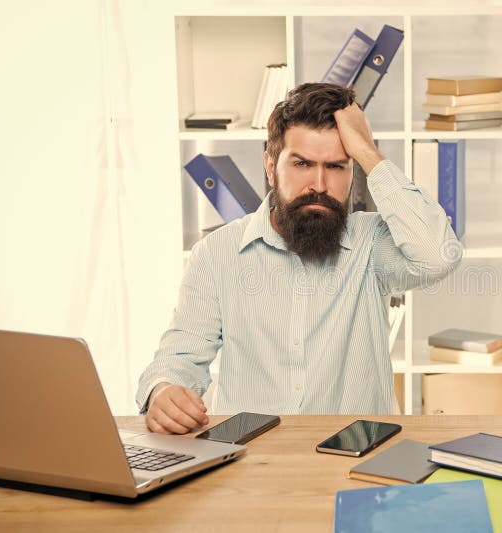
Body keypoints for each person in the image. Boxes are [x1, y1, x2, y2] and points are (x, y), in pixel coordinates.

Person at [136, 83, 462, 434]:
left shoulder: (372, 244)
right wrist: (163, 392)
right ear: (270, 165)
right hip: (249, 460)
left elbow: (438, 256)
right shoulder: (217, 254)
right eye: (302, 164)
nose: (319, 184)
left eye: (337, 166)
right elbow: (180, 357)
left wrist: (368, 152)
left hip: (358, 458)